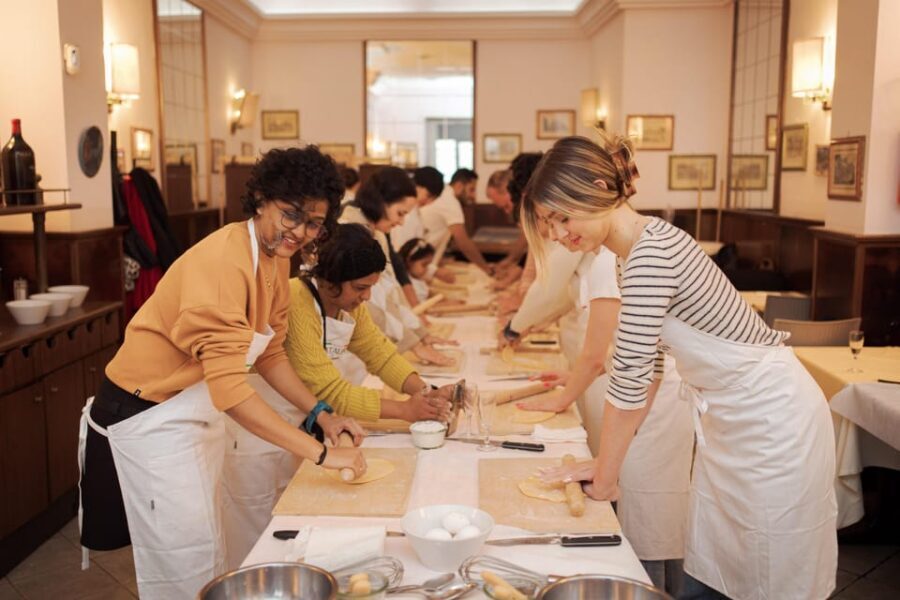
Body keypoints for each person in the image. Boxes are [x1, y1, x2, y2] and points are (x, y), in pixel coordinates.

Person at [526, 134, 837, 600]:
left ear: (595, 188)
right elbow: (648, 368)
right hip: (736, 418)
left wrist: (606, 477)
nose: (555, 234)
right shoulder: (631, 254)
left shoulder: (650, 253)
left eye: (560, 217)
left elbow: (630, 375)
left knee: (771, 567)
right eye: (548, 224)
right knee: (727, 557)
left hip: (772, 420)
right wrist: (607, 462)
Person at [78, 146, 367, 599]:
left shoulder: (273, 256)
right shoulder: (222, 265)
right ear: (260, 200)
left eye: (314, 223)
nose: (300, 232)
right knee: (182, 559)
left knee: (212, 542)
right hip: (148, 416)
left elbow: (270, 354)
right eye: (291, 215)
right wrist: (323, 455)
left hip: (190, 411)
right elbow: (231, 392)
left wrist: (323, 414)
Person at [286, 223, 451, 423]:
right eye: (360, 288)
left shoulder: (348, 304)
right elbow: (330, 390)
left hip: (311, 418)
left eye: (371, 287)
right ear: (330, 279)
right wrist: (403, 410)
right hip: (270, 425)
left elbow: (380, 355)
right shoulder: (296, 300)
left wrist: (426, 392)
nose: (367, 296)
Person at [340, 166, 455, 365]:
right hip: (349, 344)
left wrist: (420, 333)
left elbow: (391, 290)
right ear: (380, 202)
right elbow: (370, 302)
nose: (401, 222)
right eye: (400, 213)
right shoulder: (351, 231)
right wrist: (413, 343)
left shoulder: (375, 232)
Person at [420, 167, 494, 275]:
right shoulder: (450, 201)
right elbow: (463, 241)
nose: (473, 196)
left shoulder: (445, 196)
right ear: (459, 185)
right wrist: (487, 270)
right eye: (471, 189)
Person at [486, 168, 528, 274]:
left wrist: (512, 263)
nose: (507, 212)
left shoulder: (529, 204)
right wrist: (509, 261)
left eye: (507, 206)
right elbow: (525, 236)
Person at [398, 237, 437, 303]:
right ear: (409, 261)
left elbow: (428, 295)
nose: (427, 269)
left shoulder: (418, 278)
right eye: (424, 264)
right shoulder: (406, 284)